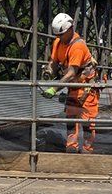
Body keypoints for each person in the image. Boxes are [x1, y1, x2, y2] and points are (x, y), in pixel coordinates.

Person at [42, 13, 99, 153]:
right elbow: (54, 61)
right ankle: (71, 148)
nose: (59, 38)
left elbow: (71, 72)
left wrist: (54, 88)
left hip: (87, 87)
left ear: (70, 29)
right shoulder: (58, 42)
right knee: (71, 118)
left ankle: (87, 150)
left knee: (87, 121)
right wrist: (50, 70)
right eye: (57, 35)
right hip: (73, 85)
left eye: (61, 34)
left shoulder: (78, 46)